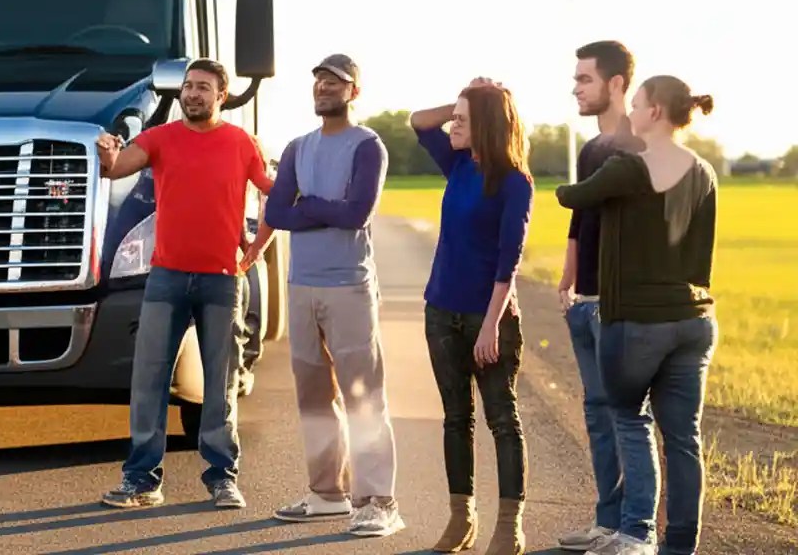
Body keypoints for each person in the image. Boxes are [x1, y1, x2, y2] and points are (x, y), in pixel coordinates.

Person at [97, 58, 274, 510]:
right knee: (150, 379)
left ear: (222, 95)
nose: (192, 94)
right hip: (166, 276)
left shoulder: (240, 142)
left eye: (203, 87)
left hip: (221, 279)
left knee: (221, 383)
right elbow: (116, 169)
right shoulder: (159, 138)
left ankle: (222, 478)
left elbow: (272, 190)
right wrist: (106, 156)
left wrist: (257, 247)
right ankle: (141, 480)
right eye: (188, 87)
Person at [556, 76, 718, 555]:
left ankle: (634, 534)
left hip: (637, 322)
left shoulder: (628, 168)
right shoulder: (704, 171)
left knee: (629, 420)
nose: (632, 113)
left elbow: (571, 196)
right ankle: (680, 543)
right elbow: (701, 259)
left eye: (639, 105)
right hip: (693, 318)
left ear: (655, 113)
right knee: (684, 437)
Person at [264, 54, 404, 538]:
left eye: (335, 82)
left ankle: (378, 500)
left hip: (348, 286)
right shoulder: (298, 146)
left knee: (363, 395)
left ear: (354, 92)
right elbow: (278, 213)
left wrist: (311, 206)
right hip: (302, 285)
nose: (324, 88)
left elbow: (357, 214)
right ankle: (328, 493)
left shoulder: (369, 146)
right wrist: (324, 208)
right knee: (314, 397)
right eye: (320, 81)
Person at [409, 78, 533, 555]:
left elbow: (510, 259)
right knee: (455, 419)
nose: (451, 125)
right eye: (454, 118)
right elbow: (420, 121)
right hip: (441, 311)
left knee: (503, 420)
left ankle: (509, 526)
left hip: (491, 318)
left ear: (483, 125)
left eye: (462, 119)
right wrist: (465, 96)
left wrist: (490, 326)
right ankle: (461, 519)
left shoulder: (515, 182)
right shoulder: (457, 163)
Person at [555, 41, 644, 553]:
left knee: (627, 416)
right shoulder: (592, 149)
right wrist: (568, 280)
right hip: (585, 300)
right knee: (597, 414)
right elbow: (578, 221)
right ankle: (606, 522)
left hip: (621, 304)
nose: (575, 89)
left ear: (615, 84)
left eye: (584, 79)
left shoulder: (640, 145)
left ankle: (635, 526)